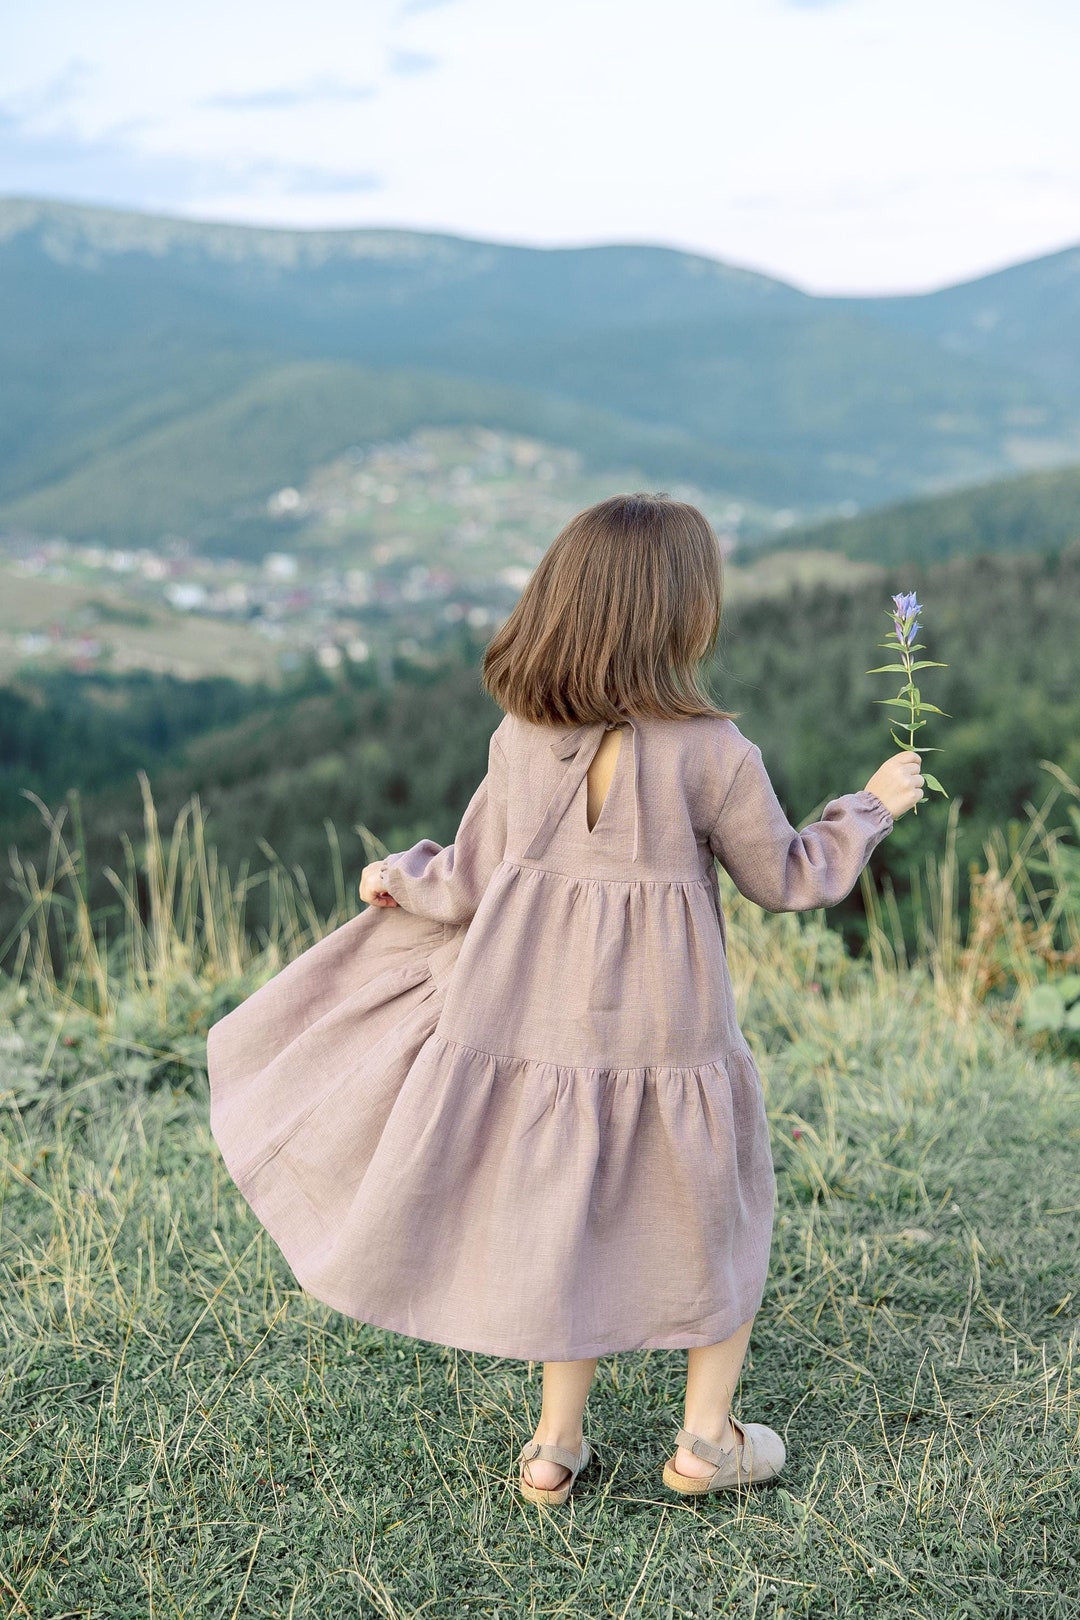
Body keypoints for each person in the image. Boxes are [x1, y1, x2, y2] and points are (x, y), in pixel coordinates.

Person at [207, 492, 923, 1508]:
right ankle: (706, 1444)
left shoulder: (521, 738)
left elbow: (465, 876)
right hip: (673, 1039)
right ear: (681, 614)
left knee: (568, 1215)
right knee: (718, 1216)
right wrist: (873, 806)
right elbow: (792, 877)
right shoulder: (717, 753)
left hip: (537, 1033)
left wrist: (394, 877)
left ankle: (553, 1448)